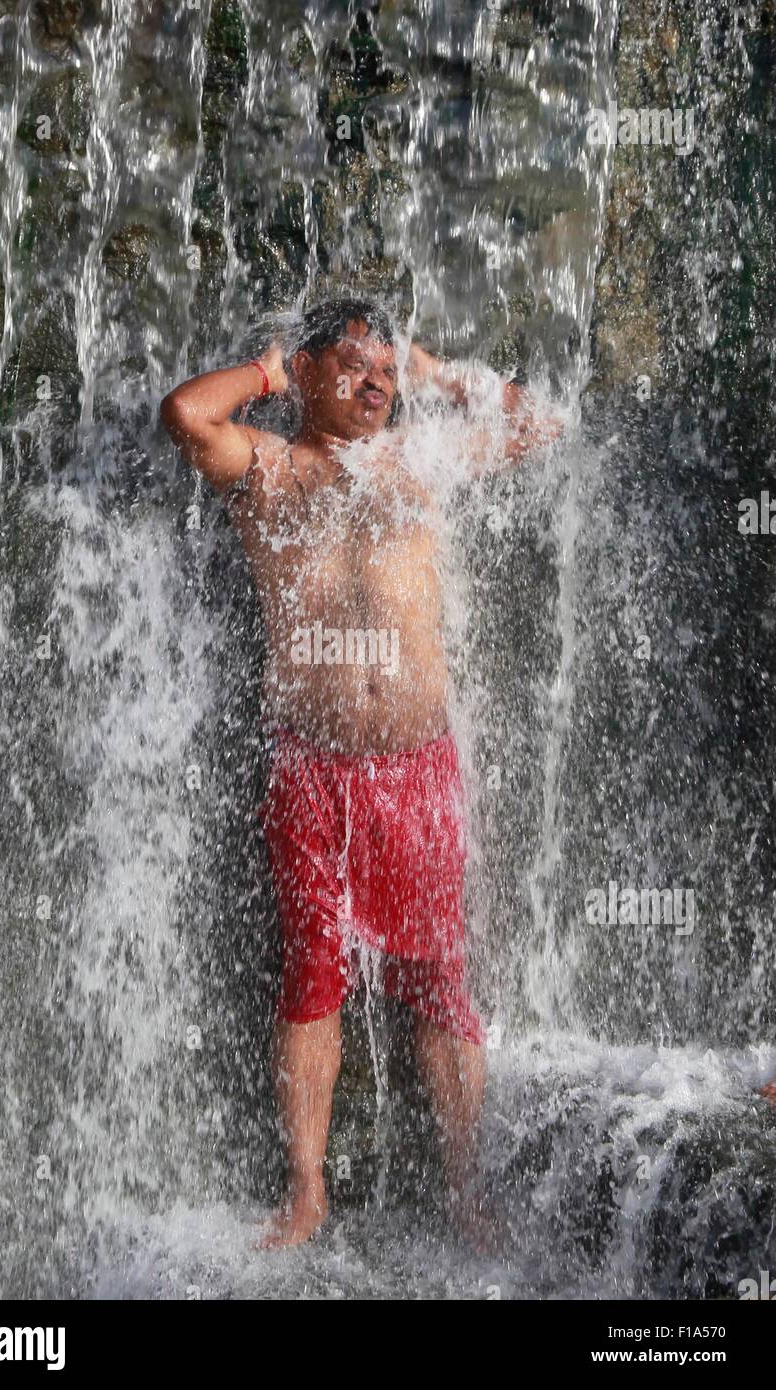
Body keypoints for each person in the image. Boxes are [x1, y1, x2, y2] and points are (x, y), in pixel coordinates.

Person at [160, 298, 559, 1248]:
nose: (374, 383)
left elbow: (538, 422)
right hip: (312, 772)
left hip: (417, 769)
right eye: (353, 365)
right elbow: (186, 416)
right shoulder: (269, 471)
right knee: (314, 978)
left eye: (384, 373)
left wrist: (428, 368)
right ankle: (307, 1194)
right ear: (306, 374)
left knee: (440, 980)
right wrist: (265, 371)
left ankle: (465, 1191)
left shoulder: (418, 463)